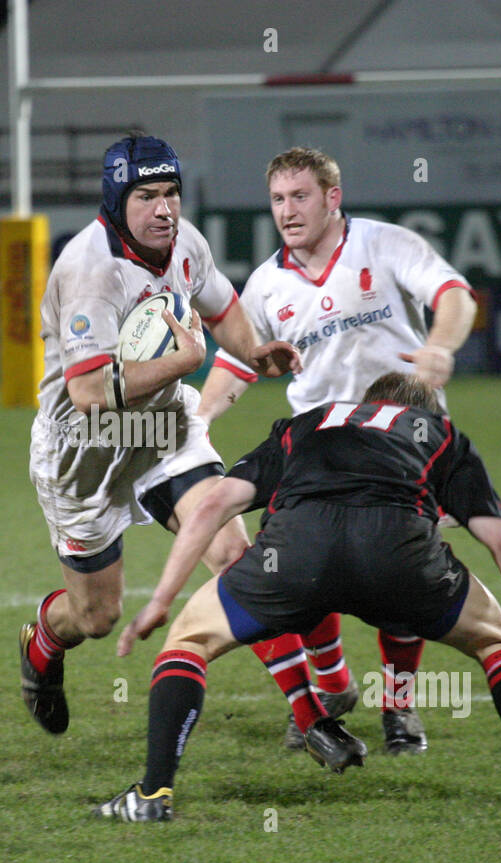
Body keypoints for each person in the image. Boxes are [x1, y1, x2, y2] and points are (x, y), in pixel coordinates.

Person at [94, 372, 501, 822]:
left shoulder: (306, 423)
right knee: (495, 643)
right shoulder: (438, 433)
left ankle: (152, 797)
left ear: (370, 402)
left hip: (297, 556)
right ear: (425, 413)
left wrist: (162, 599)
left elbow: (212, 507)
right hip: (398, 558)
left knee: (189, 642)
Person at [197, 146, 478, 756]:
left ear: (332, 197)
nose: (288, 211)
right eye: (278, 199)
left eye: (301, 196)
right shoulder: (267, 285)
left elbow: (456, 295)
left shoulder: (383, 243)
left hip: (402, 439)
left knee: (403, 576)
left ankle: (400, 709)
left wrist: (441, 347)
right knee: (299, 573)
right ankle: (331, 687)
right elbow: (234, 364)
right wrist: (200, 418)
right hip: (319, 449)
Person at [19, 134, 300, 736]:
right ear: (117, 201)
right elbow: (89, 393)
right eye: (146, 196)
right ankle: (43, 641)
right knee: (97, 616)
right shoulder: (89, 271)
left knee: (232, 555)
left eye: (171, 193)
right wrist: (183, 362)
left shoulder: (185, 243)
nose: (163, 209)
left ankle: (312, 714)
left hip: (163, 425)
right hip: (83, 447)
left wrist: (256, 350)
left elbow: (222, 307)